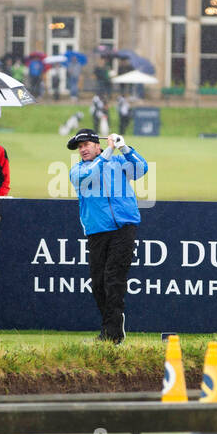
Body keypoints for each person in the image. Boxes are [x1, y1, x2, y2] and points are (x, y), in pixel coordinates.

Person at [69, 129, 148, 343]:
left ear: (97, 145)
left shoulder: (118, 162)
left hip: (124, 227)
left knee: (113, 279)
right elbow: (92, 174)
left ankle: (112, 334)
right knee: (98, 283)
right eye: (80, 147)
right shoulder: (77, 171)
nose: (83, 150)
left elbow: (141, 169)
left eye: (86, 145)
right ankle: (111, 330)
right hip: (97, 231)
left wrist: (124, 147)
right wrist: (110, 151)